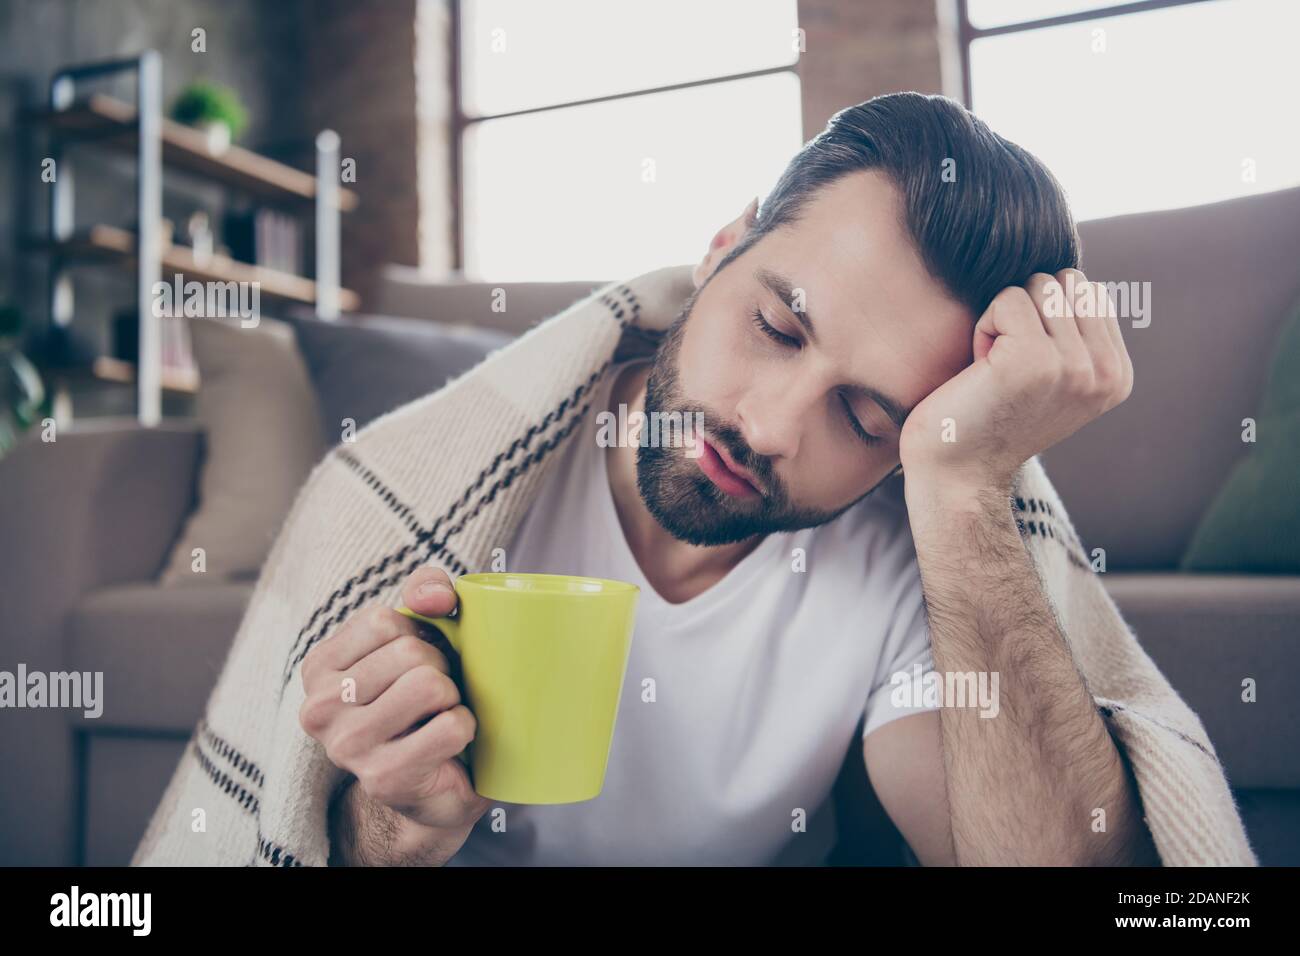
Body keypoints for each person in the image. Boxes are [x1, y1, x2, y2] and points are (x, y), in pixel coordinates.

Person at [300, 92, 1157, 866]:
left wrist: (967, 491)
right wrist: (395, 828)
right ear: (719, 250)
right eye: (779, 327)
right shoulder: (442, 481)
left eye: (865, 420)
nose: (771, 428)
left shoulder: (910, 561)